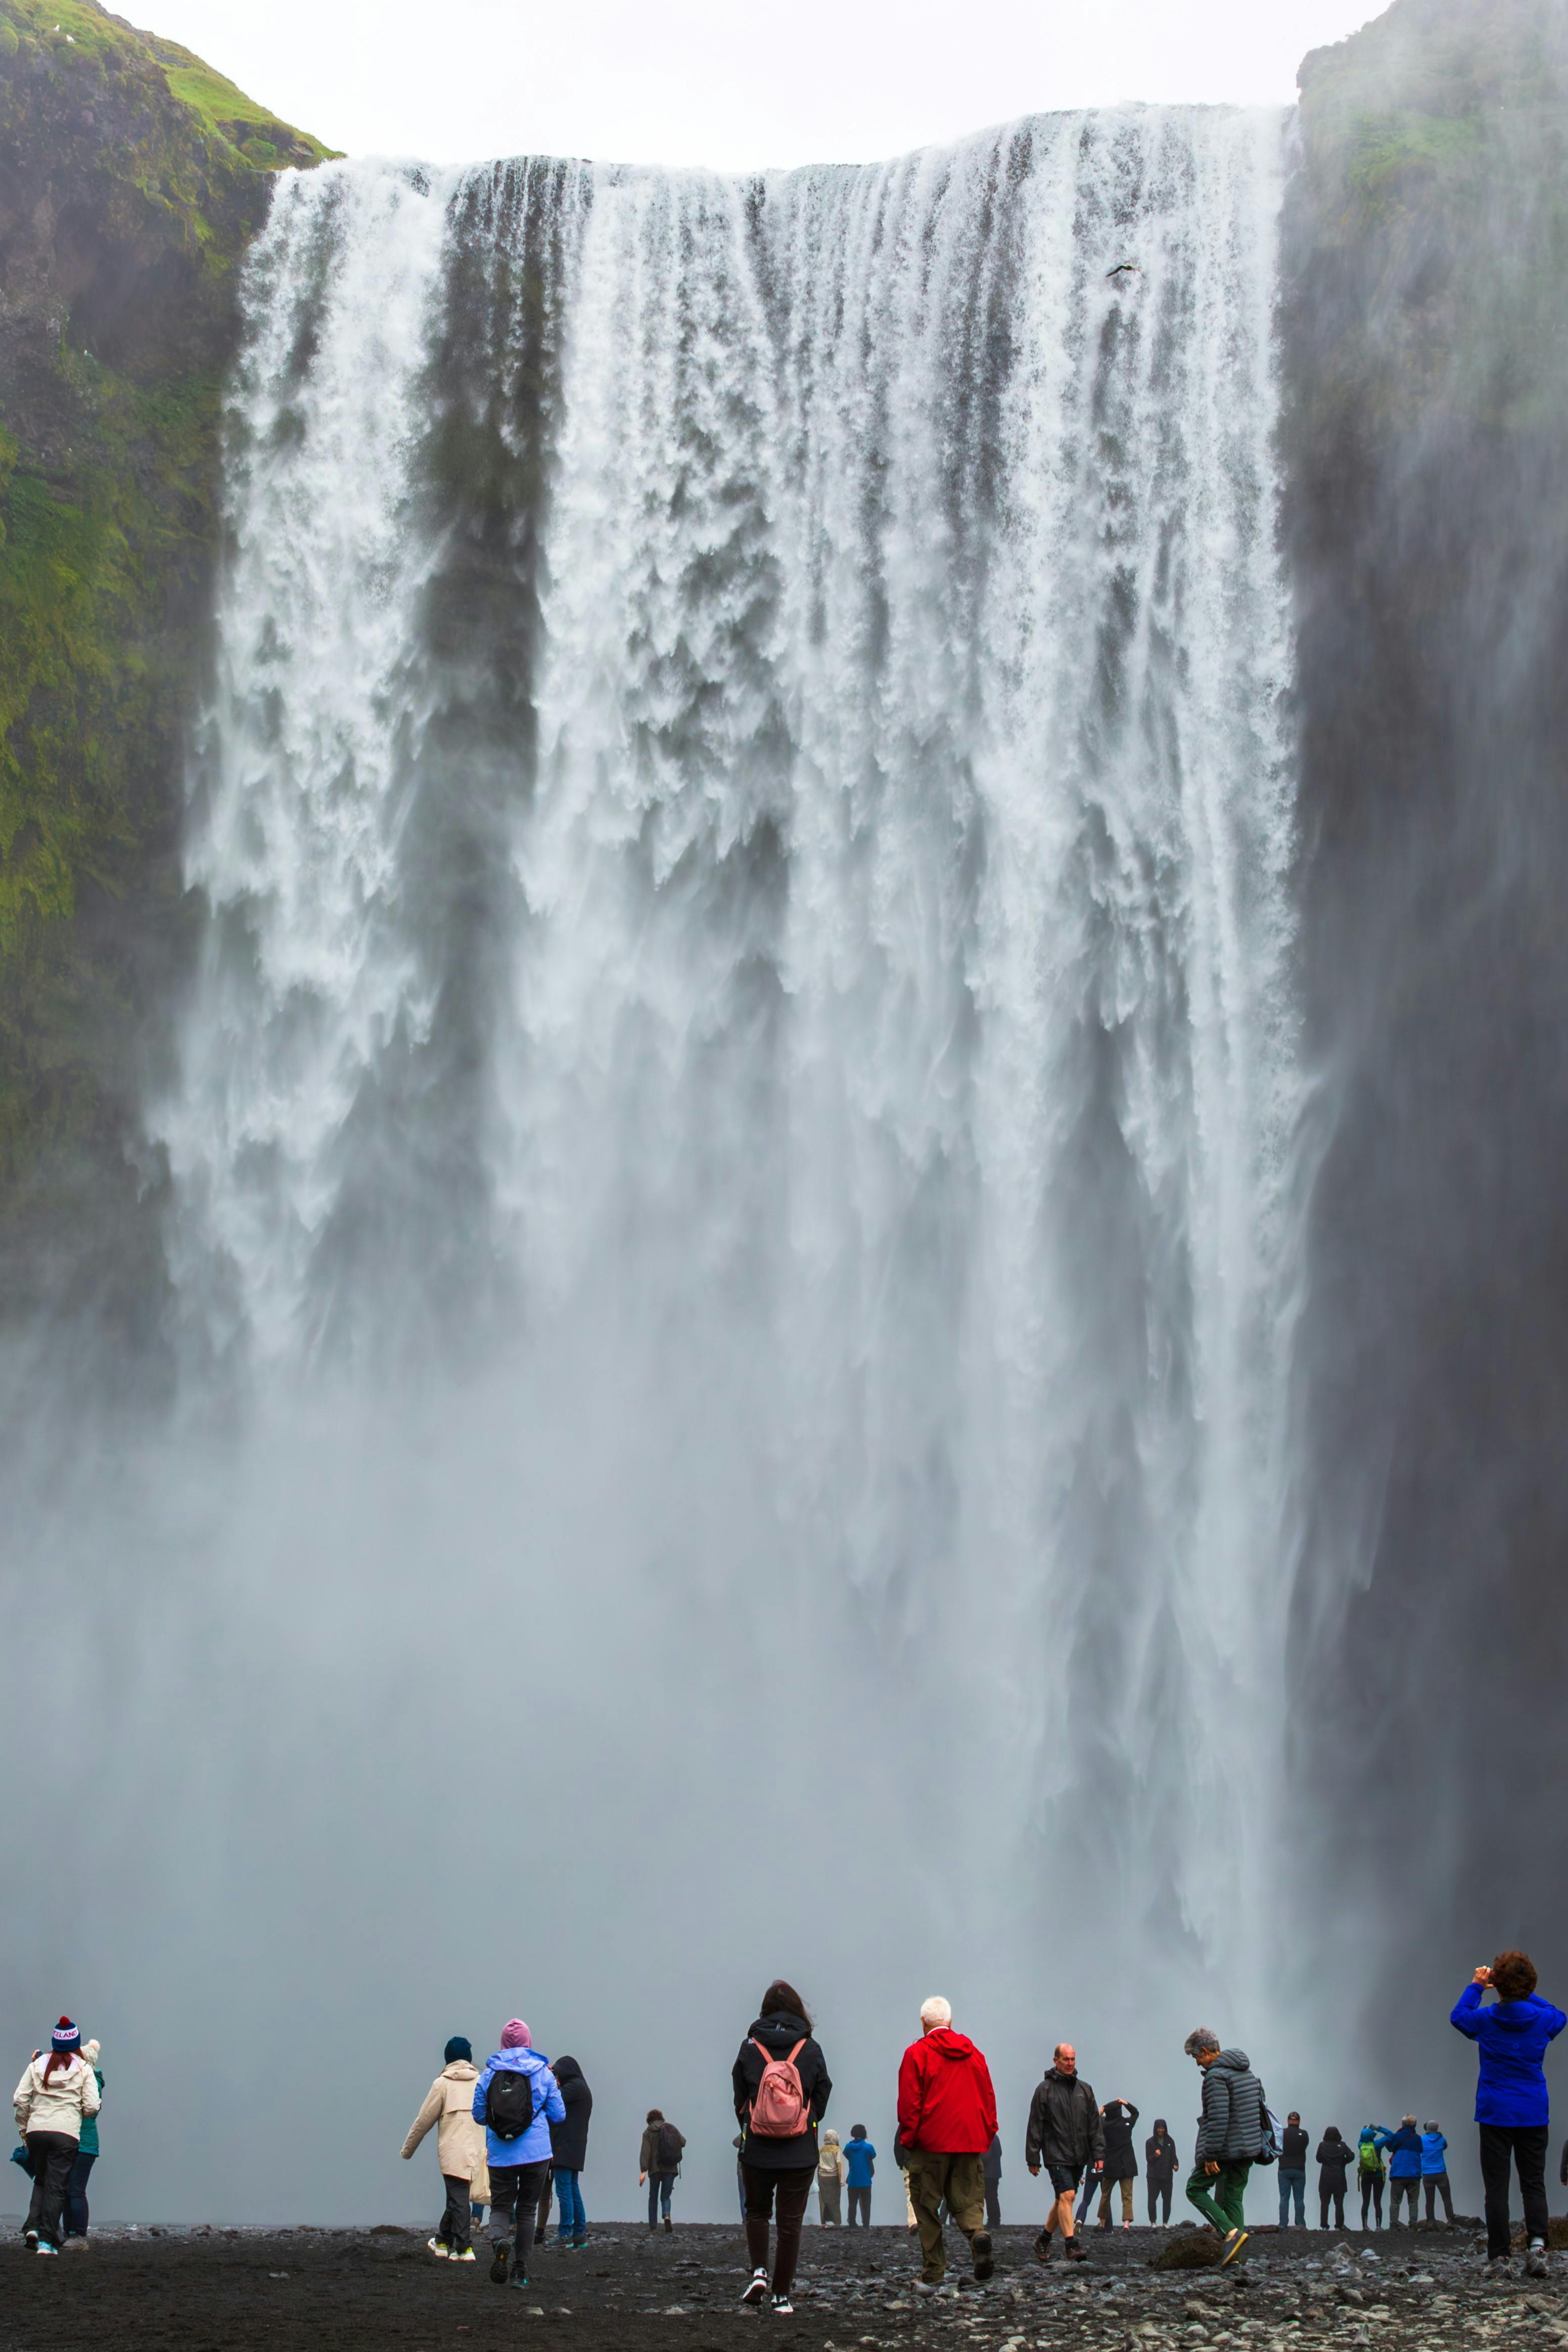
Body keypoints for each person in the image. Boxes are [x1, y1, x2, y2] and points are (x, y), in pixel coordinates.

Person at [1452, 1949, 1566, 2276]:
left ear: (1497, 1985)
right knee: (1533, 2184)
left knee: (1496, 2187)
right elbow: (1558, 2013)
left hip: (1495, 2113)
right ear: (1530, 1984)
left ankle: (1500, 2257)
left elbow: (1459, 2015)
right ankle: (1538, 2249)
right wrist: (1523, 1992)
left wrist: (1477, 1984)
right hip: (1533, 2112)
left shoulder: (1486, 2019)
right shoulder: (1544, 2020)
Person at [733, 1978, 833, 2314]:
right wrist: (807, 2119)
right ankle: (781, 2296)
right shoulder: (811, 2048)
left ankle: (759, 2270)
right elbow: (823, 2092)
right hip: (799, 2150)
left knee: (758, 2212)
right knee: (790, 2222)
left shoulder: (750, 2046)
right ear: (798, 2009)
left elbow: (739, 2096)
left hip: (758, 2148)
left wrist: (750, 2124)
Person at [897, 1995, 997, 2289]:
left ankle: (934, 2271)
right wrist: (986, 2134)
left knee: (926, 2207)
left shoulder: (916, 2054)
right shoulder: (975, 2055)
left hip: (930, 2143)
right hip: (969, 2141)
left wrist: (909, 2139)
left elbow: (909, 2104)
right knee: (967, 2201)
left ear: (923, 2022)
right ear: (950, 2022)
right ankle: (977, 2235)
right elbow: (989, 2098)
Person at [473, 2019, 565, 2290]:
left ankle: (500, 2241)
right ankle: (520, 2272)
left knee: (501, 2207)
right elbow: (560, 2115)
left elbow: (478, 2115)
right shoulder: (543, 2073)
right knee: (527, 2211)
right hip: (536, 2154)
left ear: (503, 2043)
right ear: (529, 2042)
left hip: (501, 2154)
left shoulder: (489, 2075)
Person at [14, 2018, 100, 2255]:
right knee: (57, 2187)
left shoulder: (37, 2065)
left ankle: (33, 2227)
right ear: (76, 2043)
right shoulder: (84, 2069)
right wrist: (77, 2112)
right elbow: (92, 2105)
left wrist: (25, 2131)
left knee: (41, 2180)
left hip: (36, 2132)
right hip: (65, 2134)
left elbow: (20, 2100)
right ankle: (47, 2242)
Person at [401, 2034, 486, 2262]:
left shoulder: (442, 2084)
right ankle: (442, 2242)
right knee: (456, 2197)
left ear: (447, 2059)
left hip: (452, 2152)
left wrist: (407, 2150)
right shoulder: (482, 2082)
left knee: (458, 2198)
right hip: (477, 2151)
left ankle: (465, 2248)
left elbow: (423, 2121)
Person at [1183, 2027, 1264, 2266]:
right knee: (1233, 2198)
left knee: (1195, 2189)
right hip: (1248, 2148)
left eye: (1197, 2057)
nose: (1198, 2063)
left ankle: (1230, 2234)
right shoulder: (1246, 2073)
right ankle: (1234, 2258)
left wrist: (1210, 2155)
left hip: (1225, 2150)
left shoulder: (1216, 2077)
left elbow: (1219, 2118)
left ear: (1206, 2051)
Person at [1025, 2040, 1102, 2264]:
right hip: (1056, 2153)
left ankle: (1043, 2239)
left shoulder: (1085, 2090)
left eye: (1073, 2059)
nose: (1070, 2063)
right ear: (1055, 2061)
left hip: (1079, 2155)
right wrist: (1033, 2157)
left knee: (1063, 2200)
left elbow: (1095, 2126)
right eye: (1066, 2059)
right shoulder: (1044, 2090)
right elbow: (1035, 2124)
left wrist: (1099, 2155)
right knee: (1068, 2196)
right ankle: (1071, 2245)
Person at [546, 2055, 592, 2248]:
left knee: (564, 2190)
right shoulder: (581, 2086)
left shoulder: (573, 2087)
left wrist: (547, 2077)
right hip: (576, 2145)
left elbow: (552, 2100)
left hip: (564, 2145)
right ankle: (579, 2234)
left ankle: (565, 2233)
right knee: (573, 2189)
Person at [63, 2038, 104, 2244]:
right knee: (67, 2189)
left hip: (84, 2144)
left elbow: (86, 2110)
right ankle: (68, 2233)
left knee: (75, 2190)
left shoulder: (91, 2082)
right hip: (78, 2142)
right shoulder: (90, 2081)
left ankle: (78, 2235)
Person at [639, 2108, 686, 2230]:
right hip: (670, 2168)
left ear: (649, 2121)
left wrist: (643, 2170)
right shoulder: (671, 2128)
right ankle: (667, 2217)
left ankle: (653, 2227)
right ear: (661, 2118)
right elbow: (683, 2142)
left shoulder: (648, 2132)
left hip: (655, 2169)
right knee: (666, 2196)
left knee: (653, 2197)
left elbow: (645, 2152)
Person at [1373, 2116, 1423, 2227]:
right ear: (1415, 2125)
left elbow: (1390, 2147)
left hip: (1398, 2173)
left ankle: (1394, 2223)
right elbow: (1421, 2150)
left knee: (1395, 2201)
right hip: (1414, 2174)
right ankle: (1413, 2224)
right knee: (1413, 2202)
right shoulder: (1418, 2139)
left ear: (1403, 2125)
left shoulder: (1397, 2137)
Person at [1097, 2099, 1138, 2230]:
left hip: (1110, 2165)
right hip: (1127, 2165)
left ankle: (1102, 2224)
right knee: (1127, 2196)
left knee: (1105, 2195)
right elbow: (1136, 2113)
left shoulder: (1104, 2125)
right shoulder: (1126, 2124)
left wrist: (1100, 2113)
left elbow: (1093, 2125)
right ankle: (1126, 2225)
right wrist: (1126, 2103)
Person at [1316, 2126, 1352, 2229]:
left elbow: (1318, 2159)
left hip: (1325, 2178)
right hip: (1339, 2177)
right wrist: (1343, 2162)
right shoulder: (1342, 2145)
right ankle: (1339, 2226)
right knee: (1339, 2204)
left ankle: (1324, 2226)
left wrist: (1326, 2162)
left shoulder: (1322, 2145)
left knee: (1325, 2203)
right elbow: (1351, 2156)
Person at [1278, 2111, 1308, 2229]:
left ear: (1288, 2121)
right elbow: (1305, 2146)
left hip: (1284, 2169)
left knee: (1284, 2198)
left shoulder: (1282, 2133)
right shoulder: (1304, 2134)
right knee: (1299, 2198)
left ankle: (1283, 2224)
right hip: (1299, 2169)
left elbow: (1278, 2146)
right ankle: (1300, 2223)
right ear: (1299, 2122)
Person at [1145, 2119, 1179, 2225]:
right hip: (1153, 2176)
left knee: (1167, 2200)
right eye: (1159, 2128)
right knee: (1152, 2200)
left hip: (1167, 2176)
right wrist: (1155, 2156)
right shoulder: (1150, 2142)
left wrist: (1176, 2165)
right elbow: (1148, 2159)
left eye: (1163, 2128)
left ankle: (1165, 2222)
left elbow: (1174, 2156)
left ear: (1165, 2129)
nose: (1161, 2130)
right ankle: (1153, 2222)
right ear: (1156, 2129)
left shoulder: (1170, 2142)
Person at [1420, 2121, 1455, 2225]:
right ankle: (1450, 2219)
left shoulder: (1422, 2139)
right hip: (1441, 2173)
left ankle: (1431, 2221)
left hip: (1427, 2173)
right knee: (1447, 2198)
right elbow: (1445, 2147)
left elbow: (1420, 2149)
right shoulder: (1442, 2139)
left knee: (1430, 2200)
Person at [845, 2124, 875, 2227]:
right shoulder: (868, 2148)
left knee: (852, 2204)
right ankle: (866, 2224)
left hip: (853, 2180)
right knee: (866, 2204)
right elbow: (872, 2158)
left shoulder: (848, 2147)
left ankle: (852, 2223)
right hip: (866, 2179)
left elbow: (847, 2156)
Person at [1356, 2128, 1386, 2228]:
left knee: (1366, 2202)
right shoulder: (1377, 2145)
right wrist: (1378, 2128)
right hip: (1378, 2176)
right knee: (1377, 2202)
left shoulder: (1361, 2145)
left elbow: (1360, 2140)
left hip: (1365, 2176)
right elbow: (1390, 2135)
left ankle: (1365, 2226)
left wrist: (1364, 2130)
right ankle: (1378, 2226)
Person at [816, 2127, 846, 2225]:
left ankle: (824, 2223)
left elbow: (818, 2165)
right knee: (835, 2200)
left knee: (823, 2200)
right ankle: (837, 2222)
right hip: (833, 2178)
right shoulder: (837, 2150)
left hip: (822, 2178)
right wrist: (841, 2181)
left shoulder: (821, 2150)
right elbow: (839, 2165)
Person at [983, 2132, 1002, 2230]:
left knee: (990, 2198)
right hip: (995, 2173)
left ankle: (992, 2221)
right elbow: (1000, 2153)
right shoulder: (995, 2137)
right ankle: (996, 2221)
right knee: (993, 2197)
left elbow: (985, 2157)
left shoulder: (987, 2137)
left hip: (988, 2174)